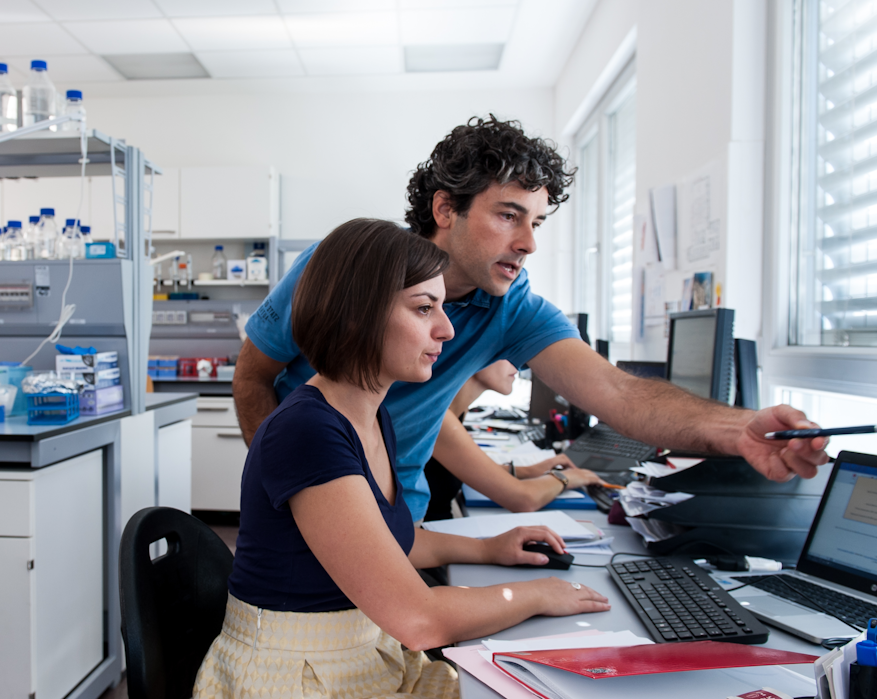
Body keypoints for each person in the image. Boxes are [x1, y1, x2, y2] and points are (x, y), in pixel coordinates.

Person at [235, 115, 828, 527]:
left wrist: (741, 429)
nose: (528, 243)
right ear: (445, 208)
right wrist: (282, 488)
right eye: (508, 216)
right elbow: (253, 375)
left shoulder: (511, 307)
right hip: (315, 512)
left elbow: (618, 393)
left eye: (537, 223)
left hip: (399, 524)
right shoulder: (346, 270)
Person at [194, 219, 610, 699]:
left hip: (359, 654)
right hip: (297, 676)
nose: (446, 329)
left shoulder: (372, 418)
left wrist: (488, 549)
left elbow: (389, 543)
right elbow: (418, 620)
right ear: (357, 315)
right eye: (424, 308)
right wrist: (536, 595)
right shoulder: (308, 431)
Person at [423, 361, 605, 519]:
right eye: (507, 353)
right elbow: (524, 499)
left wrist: (530, 471)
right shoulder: (438, 417)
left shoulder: (456, 410)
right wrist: (568, 478)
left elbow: (468, 467)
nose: (518, 364)